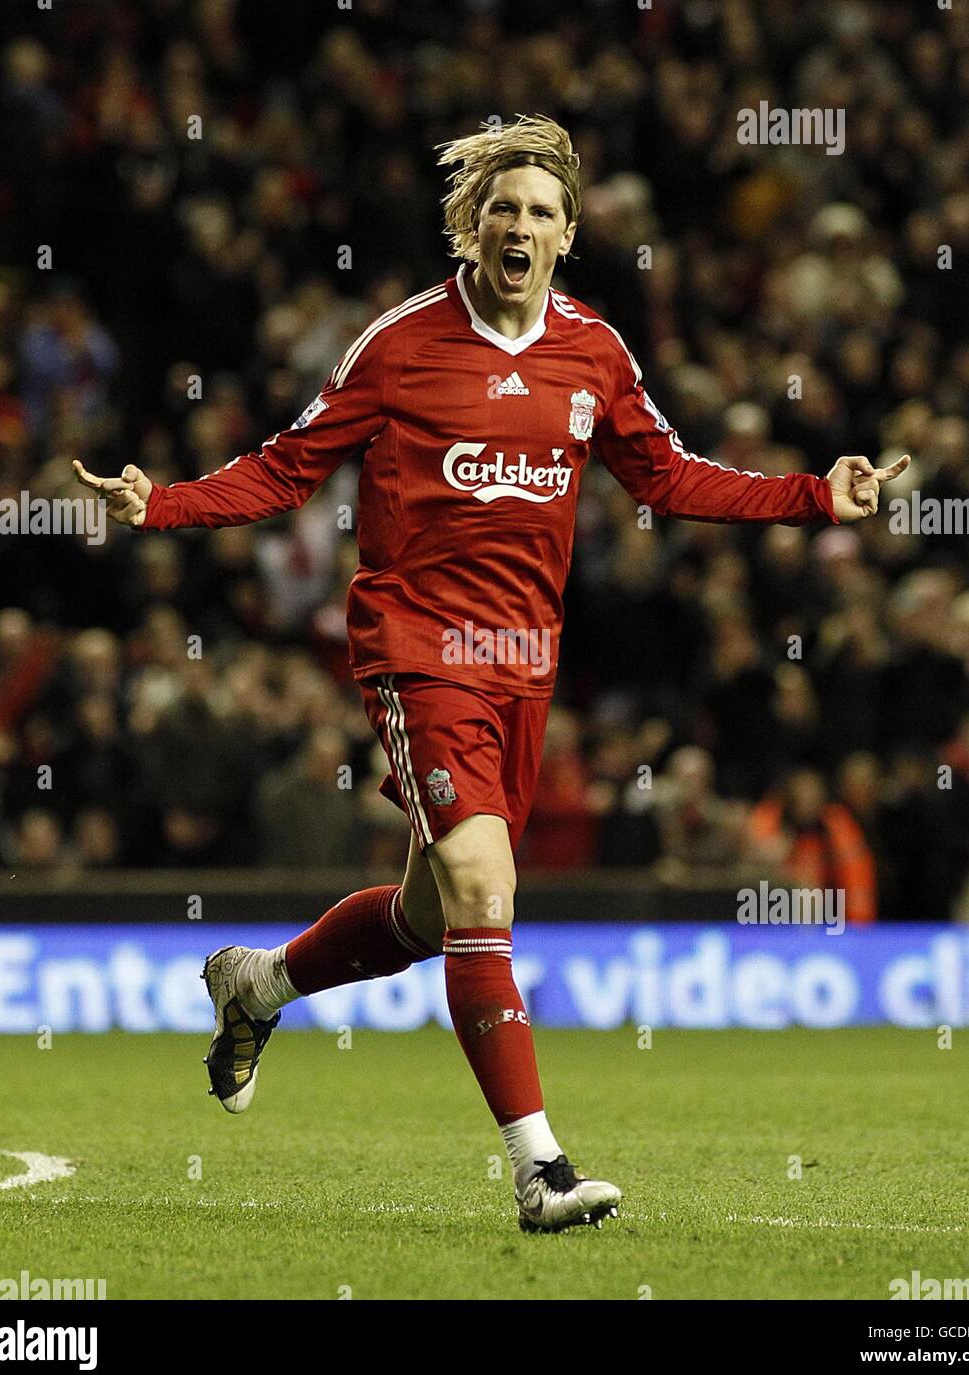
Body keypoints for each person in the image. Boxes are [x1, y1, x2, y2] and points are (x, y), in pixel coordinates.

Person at [74, 114, 908, 1233]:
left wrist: (816, 494)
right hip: (418, 654)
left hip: (522, 669)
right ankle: (539, 1171)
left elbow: (669, 479)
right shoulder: (401, 344)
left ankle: (256, 983)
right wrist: (162, 500)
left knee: (429, 919)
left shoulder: (594, 355)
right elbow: (287, 466)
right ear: (472, 224)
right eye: (501, 207)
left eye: (540, 211)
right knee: (484, 893)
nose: (518, 224)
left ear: (568, 236)